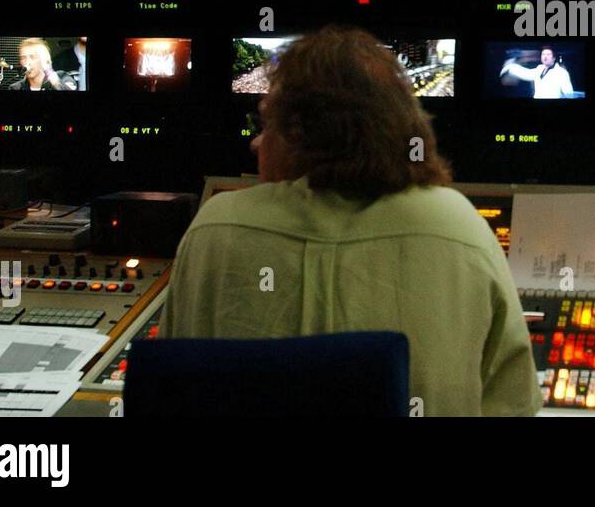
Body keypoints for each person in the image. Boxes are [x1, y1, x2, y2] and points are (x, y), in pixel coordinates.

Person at [159, 27, 541, 417]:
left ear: (299, 135)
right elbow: (513, 405)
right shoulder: (461, 225)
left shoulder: (216, 229)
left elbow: (168, 393)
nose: (256, 143)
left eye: (266, 125)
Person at [500, 47, 574, 99]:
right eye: (543, 54)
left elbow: (569, 94)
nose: (545, 57)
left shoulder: (562, 73)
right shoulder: (539, 69)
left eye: (548, 55)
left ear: (553, 58)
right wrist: (509, 67)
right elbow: (527, 74)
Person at [8, 38, 77, 91]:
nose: (27, 62)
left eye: (33, 57)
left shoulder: (63, 77)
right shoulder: (15, 88)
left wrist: (50, 72)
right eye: (23, 58)